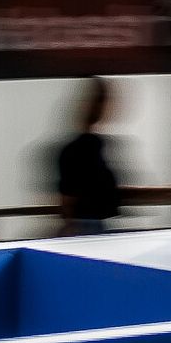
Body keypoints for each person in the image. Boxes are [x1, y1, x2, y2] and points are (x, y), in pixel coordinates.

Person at [51, 78, 124, 234]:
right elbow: (69, 197)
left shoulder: (95, 145)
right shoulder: (80, 148)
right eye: (101, 100)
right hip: (86, 228)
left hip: (91, 226)